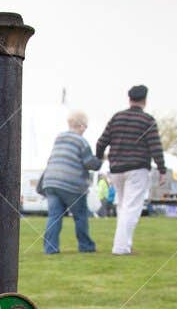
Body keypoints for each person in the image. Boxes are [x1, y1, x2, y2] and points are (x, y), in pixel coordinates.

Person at [93, 84, 167, 255]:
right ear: (145, 100)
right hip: (137, 168)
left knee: (122, 207)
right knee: (131, 208)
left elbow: (101, 142)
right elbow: (155, 147)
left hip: (116, 168)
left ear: (129, 99)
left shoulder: (117, 118)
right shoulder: (147, 121)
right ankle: (121, 248)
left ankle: (124, 244)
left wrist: (99, 158)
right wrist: (162, 170)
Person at [38, 111, 101, 253]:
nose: (85, 129)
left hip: (51, 182)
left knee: (54, 216)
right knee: (80, 216)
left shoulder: (59, 138)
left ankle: (50, 248)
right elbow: (90, 163)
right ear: (81, 125)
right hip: (71, 184)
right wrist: (100, 161)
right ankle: (85, 246)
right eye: (85, 126)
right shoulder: (81, 141)